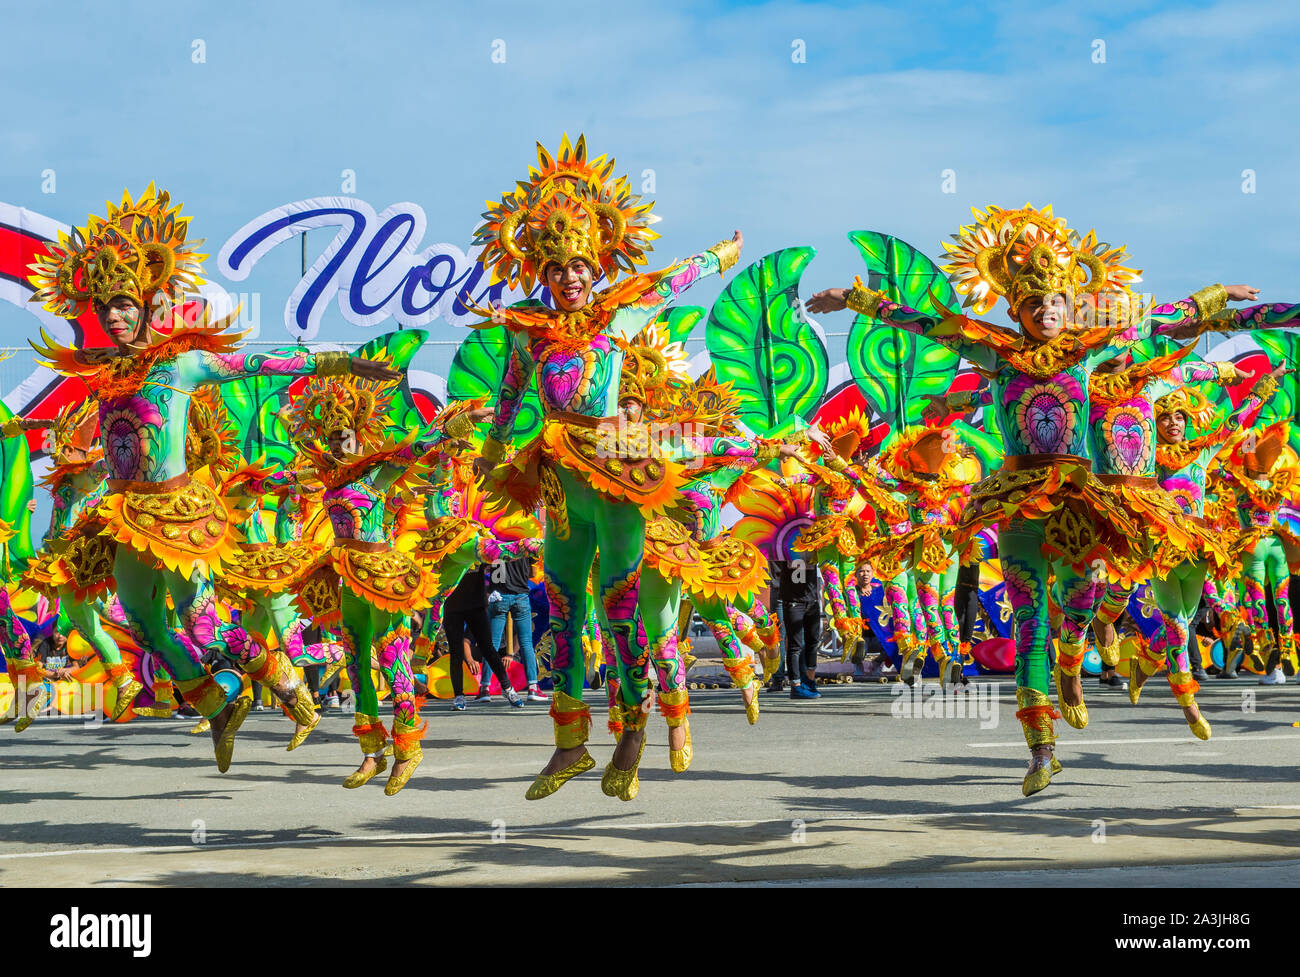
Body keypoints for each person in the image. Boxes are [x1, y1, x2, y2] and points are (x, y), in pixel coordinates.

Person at [444, 564, 523, 711]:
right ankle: (459, 696)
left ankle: (508, 688)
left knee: (488, 648)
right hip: (452, 605)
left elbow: (495, 560)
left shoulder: (477, 543)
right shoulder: (447, 546)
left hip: (476, 605)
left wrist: (492, 592)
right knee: (456, 652)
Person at [487, 545, 547, 702]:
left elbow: (487, 568)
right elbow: (533, 573)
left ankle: (484, 688)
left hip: (498, 594)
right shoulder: (526, 544)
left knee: (491, 644)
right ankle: (533, 687)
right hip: (520, 595)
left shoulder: (492, 541)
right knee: (526, 642)